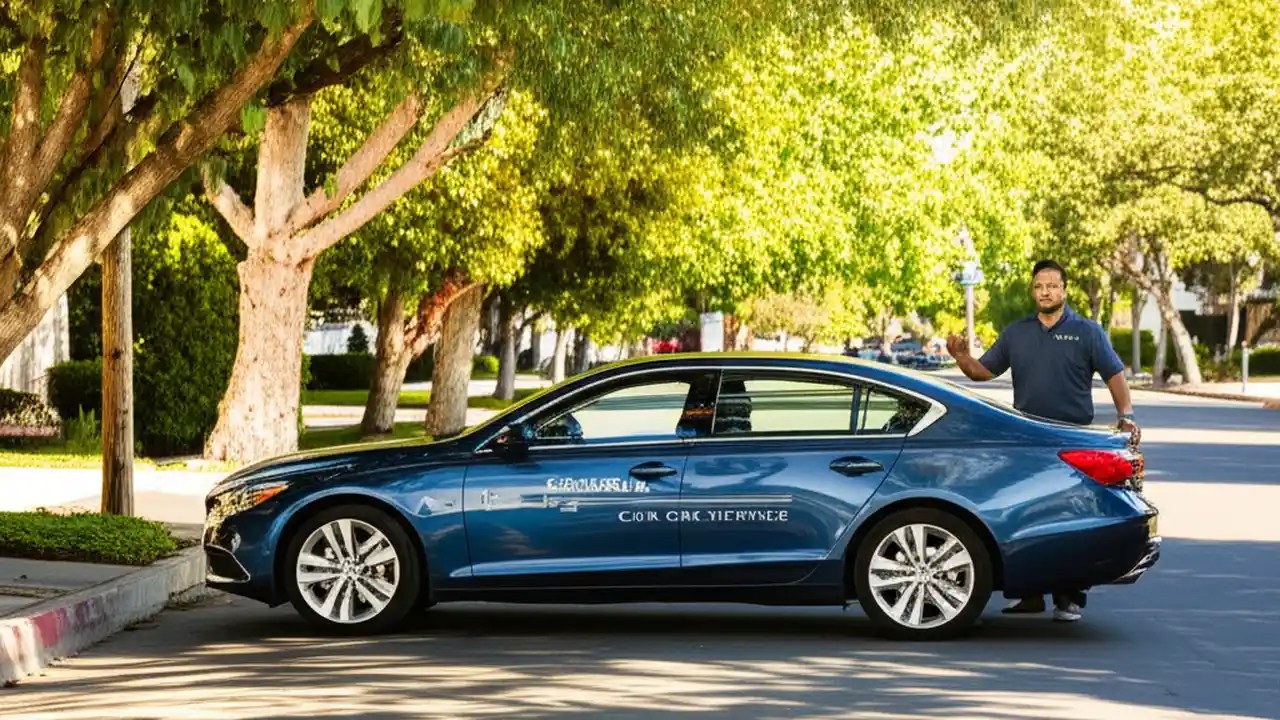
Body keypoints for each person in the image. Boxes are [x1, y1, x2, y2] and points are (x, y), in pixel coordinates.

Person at [945, 259, 1140, 623]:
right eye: (1039, 286)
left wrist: (1126, 416)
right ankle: (1030, 595)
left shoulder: (1087, 332)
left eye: (1052, 285)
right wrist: (961, 356)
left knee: (1069, 519)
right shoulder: (1016, 333)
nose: (1045, 292)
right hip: (1027, 438)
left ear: (1064, 290)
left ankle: (1069, 597)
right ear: (1033, 291)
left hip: (1072, 439)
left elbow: (1114, 375)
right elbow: (983, 372)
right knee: (1026, 513)